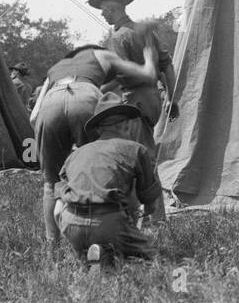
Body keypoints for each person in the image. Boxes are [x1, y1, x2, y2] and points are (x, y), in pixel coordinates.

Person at [32, 42, 158, 249]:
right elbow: (148, 74)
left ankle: (52, 249)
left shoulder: (57, 68)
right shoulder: (103, 55)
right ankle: (119, 232)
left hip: (50, 103)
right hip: (85, 97)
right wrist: (149, 55)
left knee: (50, 183)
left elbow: (34, 116)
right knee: (106, 163)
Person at [88, 0, 178, 228]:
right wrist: (172, 97)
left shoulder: (118, 37)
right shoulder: (145, 32)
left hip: (133, 101)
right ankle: (147, 215)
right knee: (142, 154)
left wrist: (95, 89)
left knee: (140, 158)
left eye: (104, 9)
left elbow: (119, 76)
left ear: (114, 7)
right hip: (152, 100)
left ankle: (154, 218)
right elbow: (166, 65)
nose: (103, 14)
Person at [52, 93, 160, 272]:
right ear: (126, 124)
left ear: (99, 128)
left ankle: (91, 256)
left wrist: (70, 233)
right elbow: (150, 204)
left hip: (71, 221)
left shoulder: (75, 155)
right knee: (149, 260)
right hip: (107, 221)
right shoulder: (136, 150)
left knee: (103, 259)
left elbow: (57, 210)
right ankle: (109, 254)